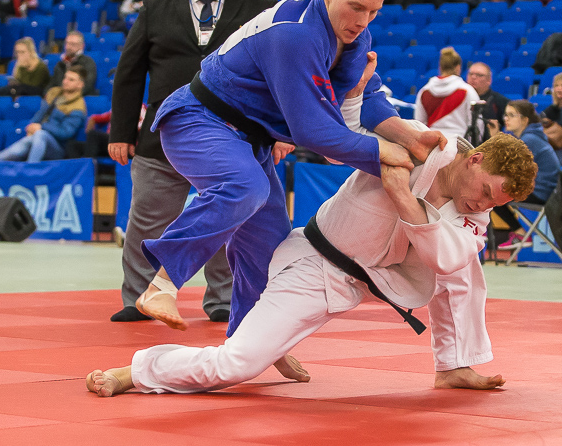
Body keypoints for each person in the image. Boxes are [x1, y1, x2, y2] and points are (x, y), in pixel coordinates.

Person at [135, 0, 447, 339]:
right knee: (244, 188)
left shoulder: (350, 31)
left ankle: (249, 341)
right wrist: (383, 154)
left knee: (268, 244)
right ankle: (161, 285)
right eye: (356, 7)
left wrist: (410, 138)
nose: (363, 21)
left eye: (373, 12)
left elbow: (363, 94)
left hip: (250, 138)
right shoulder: (297, 33)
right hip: (200, 119)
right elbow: (313, 132)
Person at [86, 131, 538, 397]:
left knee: (459, 265)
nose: (482, 206)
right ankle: (140, 371)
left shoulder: (471, 210)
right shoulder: (417, 143)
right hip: (316, 265)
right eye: (486, 192)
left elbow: (446, 256)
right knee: (237, 367)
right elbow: (343, 129)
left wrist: (402, 195)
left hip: (380, 276)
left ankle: (455, 363)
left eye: (494, 204)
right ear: (475, 159)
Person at [108, 0, 277, 324]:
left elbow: (275, 76)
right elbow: (129, 72)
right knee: (146, 219)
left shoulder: (260, 8)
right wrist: (120, 133)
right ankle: (138, 298)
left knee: (226, 217)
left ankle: (222, 300)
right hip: (163, 133)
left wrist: (277, 134)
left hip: (234, 134)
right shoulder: (155, 6)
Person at [487, 101, 559, 250]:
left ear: (525, 120)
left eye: (512, 115)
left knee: (490, 194)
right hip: (539, 189)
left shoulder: (529, 140)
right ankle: (519, 233)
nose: (506, 118)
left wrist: (494, 138)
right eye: (505, 114)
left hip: (542, 193)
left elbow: (503, 167)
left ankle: (520, 234)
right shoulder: (528, 137)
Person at [0, 65, 87, 162]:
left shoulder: (78, 107)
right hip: (39, 136)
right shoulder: (54, 93)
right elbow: (40, 113)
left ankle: (30, 168)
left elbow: (65, 133)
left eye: (71, 80)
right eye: (65, 78)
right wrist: (31, 126)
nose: (65, 81)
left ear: (80, 84)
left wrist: (41, 127)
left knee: (40, 135)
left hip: (59, 148)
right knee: (28, 141)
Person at [414, 47, 483, 139]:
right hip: (459, 143)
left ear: (440, 67)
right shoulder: (467, 91)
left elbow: (419, 124)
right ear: (458, 67)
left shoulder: (424, 91)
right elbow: (477, 124)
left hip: (433, 142)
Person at [466, 62, 508, 142]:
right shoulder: (459, 99)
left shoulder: (500, 101)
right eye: (471, 74)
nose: (473, 77)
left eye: (479, 75)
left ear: (489, 80)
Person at [48, 31, 97, 96]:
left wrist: (69, 95)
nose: (68, 47)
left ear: (81, 46)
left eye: (72, 44)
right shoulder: (60, 64)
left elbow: (87, 85)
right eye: (67, 43)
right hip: (60, 98)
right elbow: (53, 84)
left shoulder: (88, 63)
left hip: (80, 99)